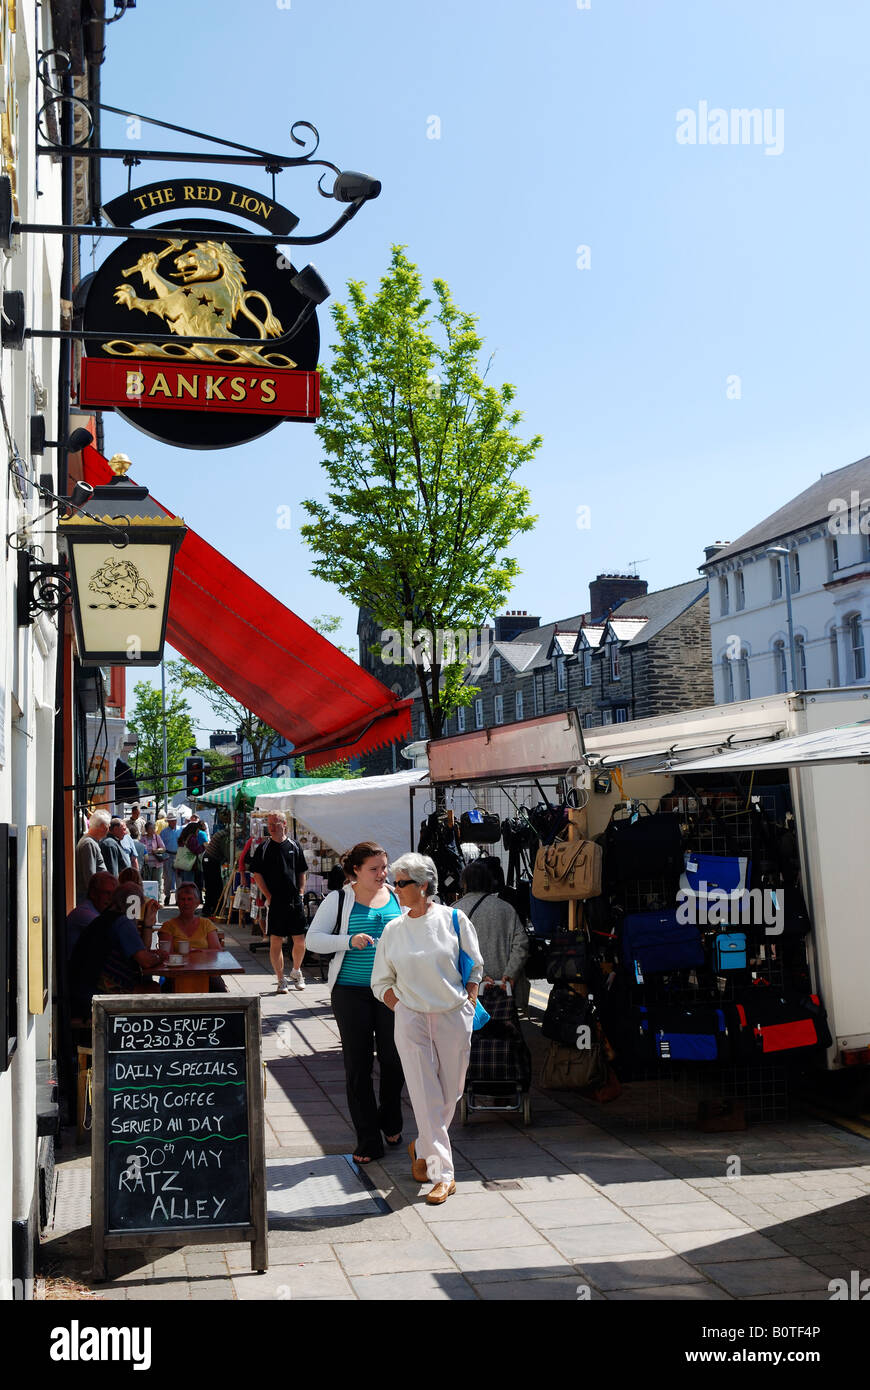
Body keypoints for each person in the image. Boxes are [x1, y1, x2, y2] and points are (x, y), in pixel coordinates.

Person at [371, 852, 483, 1206]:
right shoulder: (393, 929)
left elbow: (475, 964)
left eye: (401, 883)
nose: (395, 888)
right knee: (424, 1096)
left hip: (452, 1014)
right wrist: (401, 1008)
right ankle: (442, 1174)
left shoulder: (454, 918)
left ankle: (422, 1146)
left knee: (450, 1094)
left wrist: (469, 998)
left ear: (423, 886)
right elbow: (380, 981)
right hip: (411, 1019)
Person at [305, 842, 405, 1165]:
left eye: (384, 867)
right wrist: (348, 941)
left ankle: (390, 1117)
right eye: (374, 869)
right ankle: (368, 1138)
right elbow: (313, 939)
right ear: (356, 871)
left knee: (394, 1059)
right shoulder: (338, 899)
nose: (382, 874)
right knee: (358, 1066)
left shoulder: (396, 897)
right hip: (350, 992)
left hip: (390, 992)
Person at [69, 882, 167, 1017]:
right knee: (153, 989)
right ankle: (140, 1033)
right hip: (95, 994)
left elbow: (141, 949)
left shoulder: (107, 917)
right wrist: (160, 956)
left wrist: (148, 924)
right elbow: (145, 962)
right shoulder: (122, 922)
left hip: (81, 990)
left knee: (149, 985)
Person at [453, 860, 529, 1004]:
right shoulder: (506, 908)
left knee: (474, 1026)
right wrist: (510, 974)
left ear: (465, 884)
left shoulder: (454, 911)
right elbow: (522, 943)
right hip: (504, 989)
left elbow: (452, 951)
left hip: (469, 989)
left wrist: (481, 976)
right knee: (505, 1026)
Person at [249, 811, 308, 992]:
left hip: (294, 900)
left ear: (284, 825)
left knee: (299, 940)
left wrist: (300, 893)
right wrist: (268, 895)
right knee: (276, 939)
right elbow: (256, 873)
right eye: (269, 824)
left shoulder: (294, 846)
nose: (272, 827)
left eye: (275, 823)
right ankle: (281, 979)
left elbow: (301, 871)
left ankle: (296, 971)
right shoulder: (263, 848)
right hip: (276, 900)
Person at [65, 871, 118, 958]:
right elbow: (117, 938)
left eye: (114, 895)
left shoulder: (96, 912)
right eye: (107, 893)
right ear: (93, 894)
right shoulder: (85, 914)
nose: (111, 899)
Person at [162, 882, 222, 951]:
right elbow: (166, 955)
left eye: (189, 899)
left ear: (197, 903)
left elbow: (217, 951)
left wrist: (196, 951)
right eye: (182, 899)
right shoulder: (168, 926)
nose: (186, 903)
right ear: (178, 902)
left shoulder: (206, 924)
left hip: (203, 961)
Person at [75, 810, 110, 901]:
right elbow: (90, 875)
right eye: (108, 826)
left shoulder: (90, 842)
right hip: (89, 898)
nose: (108, 829)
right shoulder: (88, 843)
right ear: (103, 826)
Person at [202, 818, 230, 916]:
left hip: (208, 859)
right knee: (215, 885)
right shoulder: (224, 836)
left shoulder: (222, 833)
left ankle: (210, 908)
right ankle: (211, 908)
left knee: (212, 885)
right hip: (210, 860)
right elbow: (226, 851)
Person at [159, 811, 181, 904]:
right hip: (168, 855)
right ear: (168, 821)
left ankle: (178, 899)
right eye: (170, 821)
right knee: (168, 878)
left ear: (176, 820)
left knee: (179, 879)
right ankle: (167, 896)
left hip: (178, 855)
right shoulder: (164, 832)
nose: (172, 822)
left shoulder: (181, 830)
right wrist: (164, 857)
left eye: (174, 820)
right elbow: (161, 845)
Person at [141, 820, 166, 898]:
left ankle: (158, 899)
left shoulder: (157, 837)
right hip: (147, 865)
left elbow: (163, 848)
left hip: (157, 864)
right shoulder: (143, 838)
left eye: (153, 828)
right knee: (147, 883)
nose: (153, 830)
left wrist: (157, 850)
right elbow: (141, 849)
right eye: (151, 828)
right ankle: (148, 899)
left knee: (157, 882)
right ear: (147, 830)